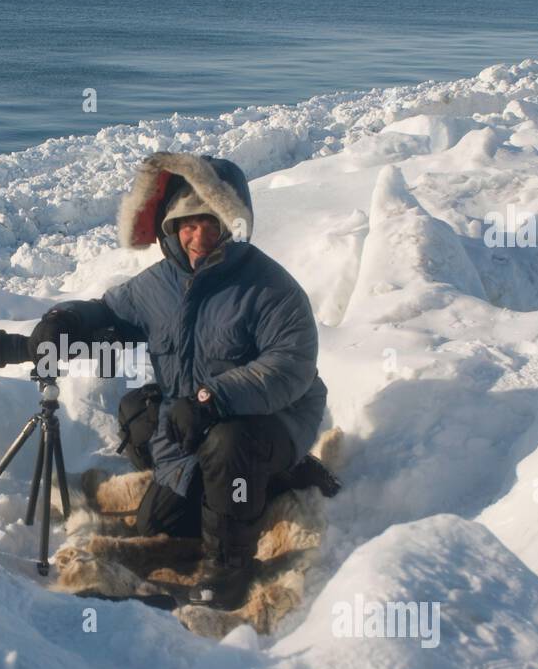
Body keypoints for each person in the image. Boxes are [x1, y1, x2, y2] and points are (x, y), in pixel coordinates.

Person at [28, 151, 328, 610]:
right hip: (196, 423)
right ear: (170, 228)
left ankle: (228, 571)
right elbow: (108, 312)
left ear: (231, 224)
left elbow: (290, 365)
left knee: (229, 441)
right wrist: (63, 317)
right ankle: (263, 483)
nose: (198, 236)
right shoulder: (157, 284)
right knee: (157, 514)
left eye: (211, 223)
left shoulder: (271, 288)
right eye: (187, 224)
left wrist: (213, 398)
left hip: (272, 420)